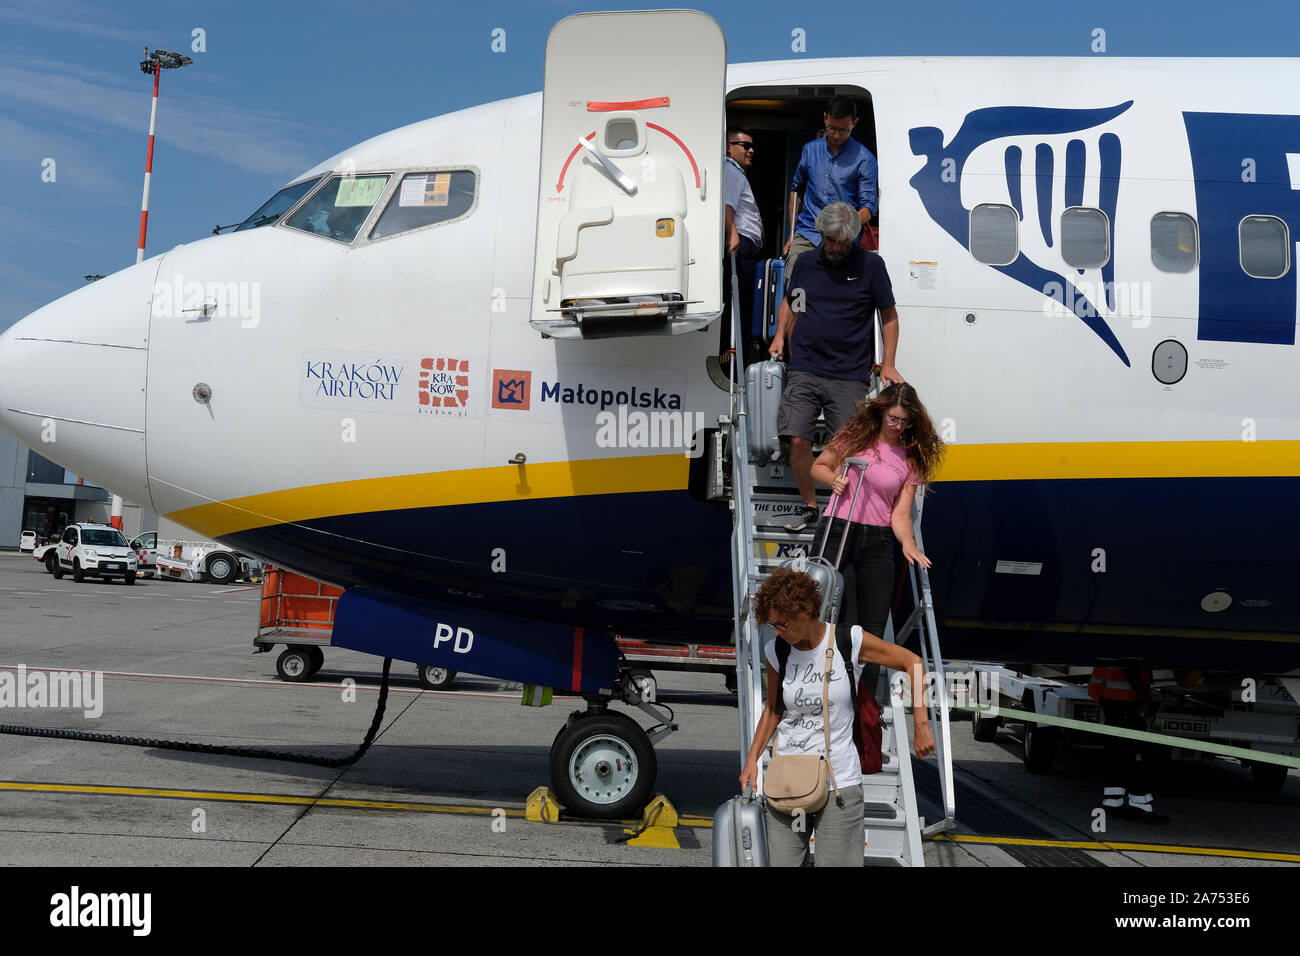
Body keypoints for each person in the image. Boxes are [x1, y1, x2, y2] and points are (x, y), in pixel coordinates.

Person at [739, 567, 935, 867]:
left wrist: (921, 725)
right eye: (772, 625)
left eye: (782, 624)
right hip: (790, 784)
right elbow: (773, 710)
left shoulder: (848, 640)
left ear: (805, 611)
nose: (777, 631)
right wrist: (752, 760)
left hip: (838, 785)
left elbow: (914, 662)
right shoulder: (777, 649)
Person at [769, 202, 902, 531]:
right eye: (831, 240)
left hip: (848, 373)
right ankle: (810, 505)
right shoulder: (805, 263)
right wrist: (779, 338)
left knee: (847, 446)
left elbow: (889, 316)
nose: (837, 247)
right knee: (797, 438)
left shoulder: (871, 266)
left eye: (843, 242)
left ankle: (842, 509)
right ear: (822, 235)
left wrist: (888, 363)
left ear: (853, 238)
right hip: (805, 366)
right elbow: (792, 302)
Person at [809, 382, 943, 649]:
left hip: (877, 541)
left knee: (873, 628)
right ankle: (834, 685)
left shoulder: (910, 460)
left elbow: (900, 514)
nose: (898, 426)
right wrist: (834, 479)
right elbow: (818, 467)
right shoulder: (854, 436)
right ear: (882, 412)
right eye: (894, 418)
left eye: (905, 421)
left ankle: (865, 690)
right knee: (842, 617)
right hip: (839, 531)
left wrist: (908, 543)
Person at [784, 96, 877, 272]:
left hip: (843, 242)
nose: (836, 135)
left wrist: (844, 229)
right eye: (831, 128)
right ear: (825, 117)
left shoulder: (865, 159)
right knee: (796, 287)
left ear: (854, 123)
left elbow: (869, 207)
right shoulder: (810, 150)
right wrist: (791, 235)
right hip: (807, 234)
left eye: (843, 130)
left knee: (838, 291)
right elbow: (796, 191)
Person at [1088, 666, 1167, 822]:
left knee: (1118, 755)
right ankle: (1140, 806)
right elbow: (1130, 667)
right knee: (1135, 757)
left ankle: (1113, 803)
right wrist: (1146, 700)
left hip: (1112, 699)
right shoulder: (1134, 648)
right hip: (1127, 701)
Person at [722, 127, 764, 363]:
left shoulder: (736, 173)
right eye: (745, 146)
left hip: (747, 248)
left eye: (751, 146)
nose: (751, 150)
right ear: (729, 147)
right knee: (740, 307)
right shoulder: (730, 172)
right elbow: (727, 206)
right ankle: (734, 361)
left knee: (746, 307)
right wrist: (733, 234)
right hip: (741, 247)